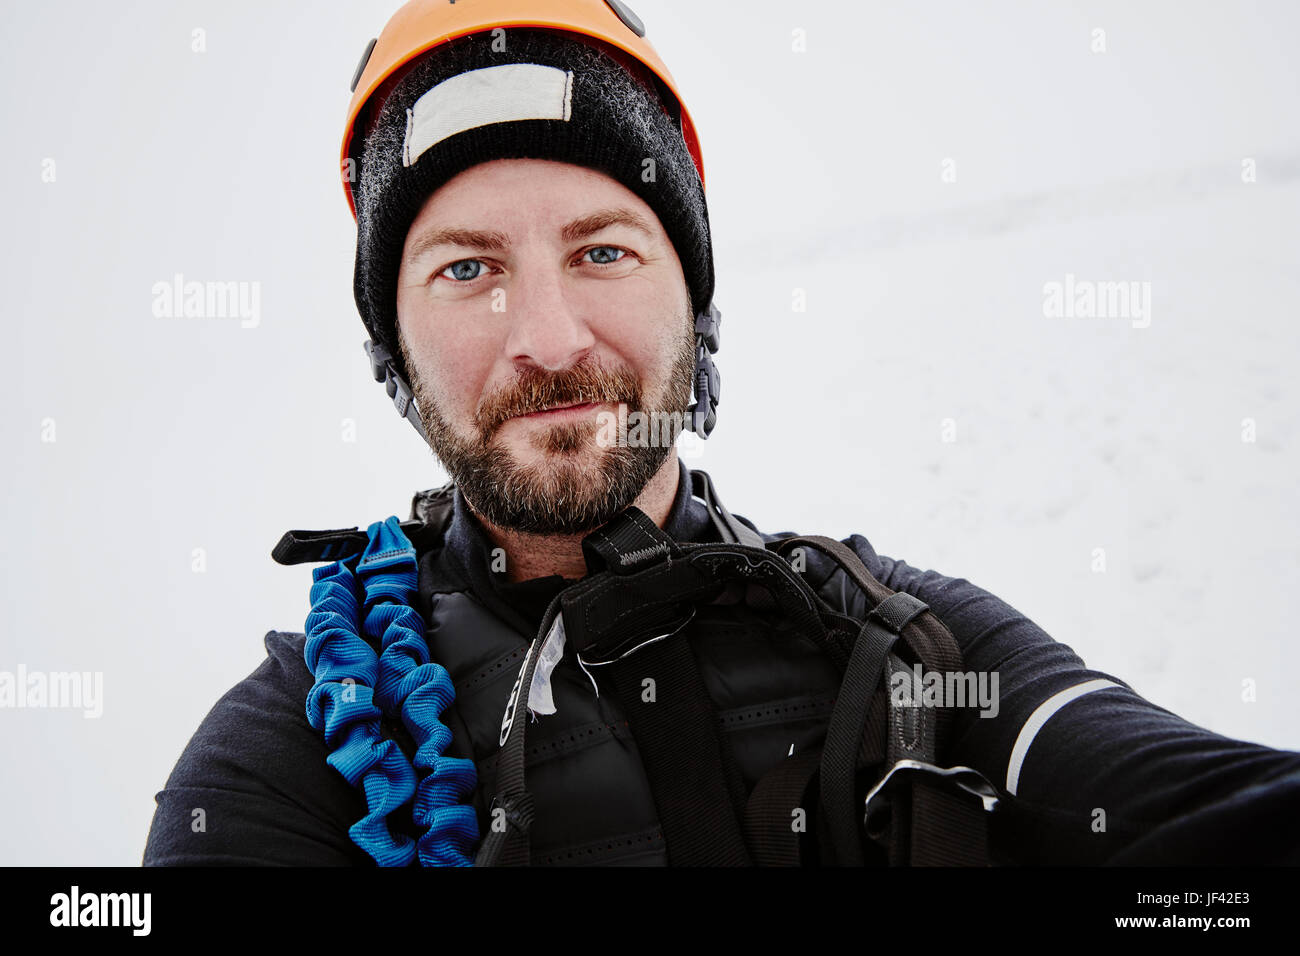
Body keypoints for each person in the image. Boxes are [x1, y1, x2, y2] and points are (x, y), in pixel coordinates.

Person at [142, 0, 1300, 867]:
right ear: (391, 349)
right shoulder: (293, 754)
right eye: (465, 267)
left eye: (603, 250)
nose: (546, 337)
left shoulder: (910, 645)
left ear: (692, 305)